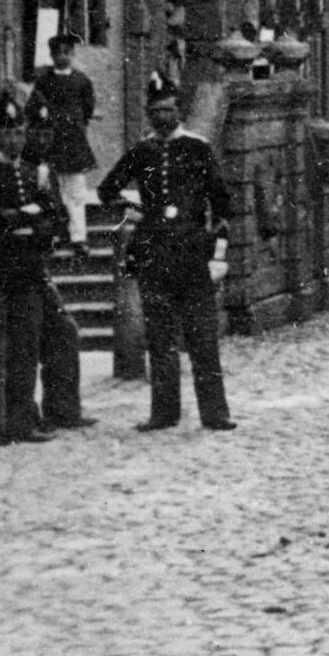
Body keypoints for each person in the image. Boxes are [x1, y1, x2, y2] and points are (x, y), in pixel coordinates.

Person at [99, 74, 237, 434]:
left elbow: (223, 206)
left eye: (169, 109)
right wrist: (135, 211)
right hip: (153, 254)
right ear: (148, 113)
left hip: (192, 254)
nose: (163, 116)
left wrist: (218, 253)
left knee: (202, 337)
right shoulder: (142, 151)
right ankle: (164, 412)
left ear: (179, 111)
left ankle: (215, 413)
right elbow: (107, 190)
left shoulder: (197, 148)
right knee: (159, 339)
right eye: (157, 111)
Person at [0, 92, 70, 446]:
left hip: (27, 267)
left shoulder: (37, 172)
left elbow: (56, 220)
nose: (14, 140)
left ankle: (21, 422)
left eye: (19, 132)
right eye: (7, 133)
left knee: (26, 347)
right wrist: (31, 214)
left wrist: (25, 218)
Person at [28, 29, 97, 250]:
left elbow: (88, 108)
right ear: (51, 55)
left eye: (66, 52)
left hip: (74, 141)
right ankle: (56, 234)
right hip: (51, 141)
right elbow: (33, 108)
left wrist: (74, 123)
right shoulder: (43, 81)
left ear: (72, 54)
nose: (62, 57)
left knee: (76, 190)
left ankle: (78, 237)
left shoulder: (81, 81)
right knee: (52, 189)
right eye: (57, 53)